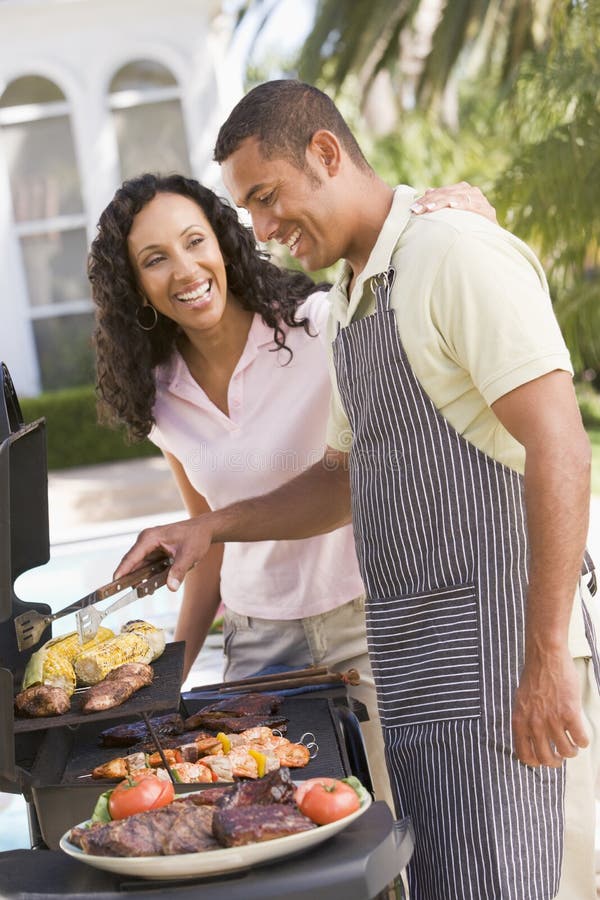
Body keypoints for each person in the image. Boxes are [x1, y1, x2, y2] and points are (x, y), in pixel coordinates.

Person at [115, 81, 600, 900]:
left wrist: (548, 658)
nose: (260, 232)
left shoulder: (451, 254)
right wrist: (211, 529)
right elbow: (342, 479)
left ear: (328, 155)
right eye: (251, 210)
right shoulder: (350, 301)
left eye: (265, 199)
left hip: (497, 656)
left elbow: (561, 445)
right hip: (416, 663)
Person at [90, 171, 492, 811]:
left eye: (196, 241)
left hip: (366, 620)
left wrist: (454, 211)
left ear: (224, 244)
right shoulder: (160, 396)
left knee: (393, 820)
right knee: (273, 833)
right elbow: (208, 543)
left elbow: (419, 285)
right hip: (258, 646)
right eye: (155, 259)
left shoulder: (319, 326)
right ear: (135, 285)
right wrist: (167, 680)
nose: (185, 269)